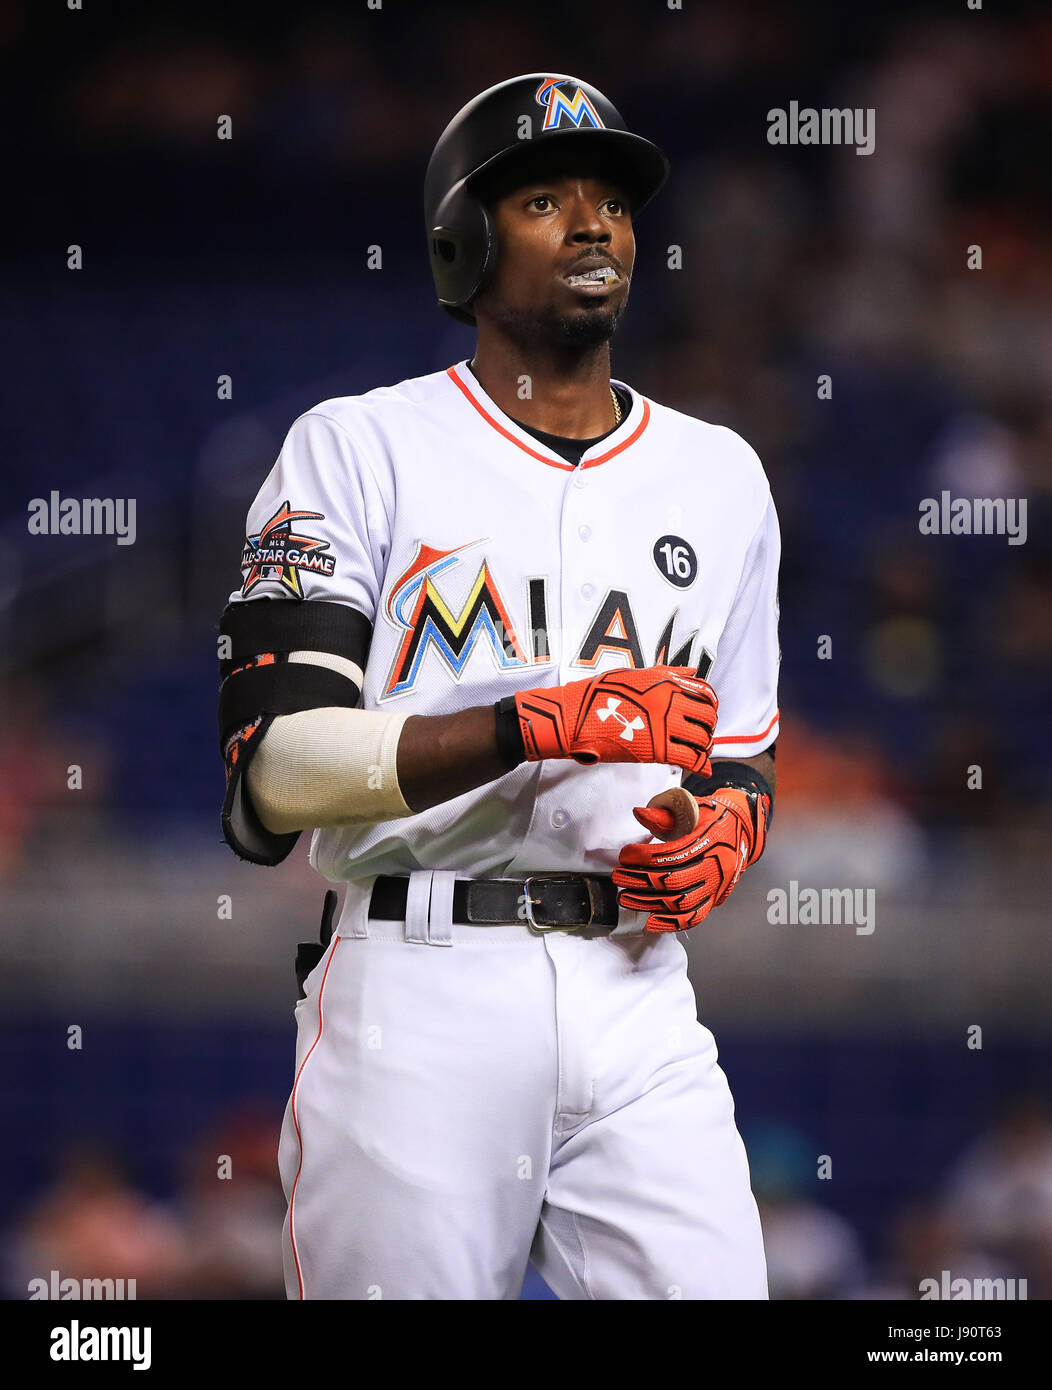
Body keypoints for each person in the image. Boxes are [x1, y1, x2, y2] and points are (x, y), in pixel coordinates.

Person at [216, 73, 781, 1300]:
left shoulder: (721, 474)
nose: (594, 225)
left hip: (636, 988)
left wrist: (725, 833)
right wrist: (530, 725)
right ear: (462, 243)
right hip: (417, 984)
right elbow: (273, 769)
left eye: (612, 203)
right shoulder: (355, 446)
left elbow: (740, 755)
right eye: (544, 199)